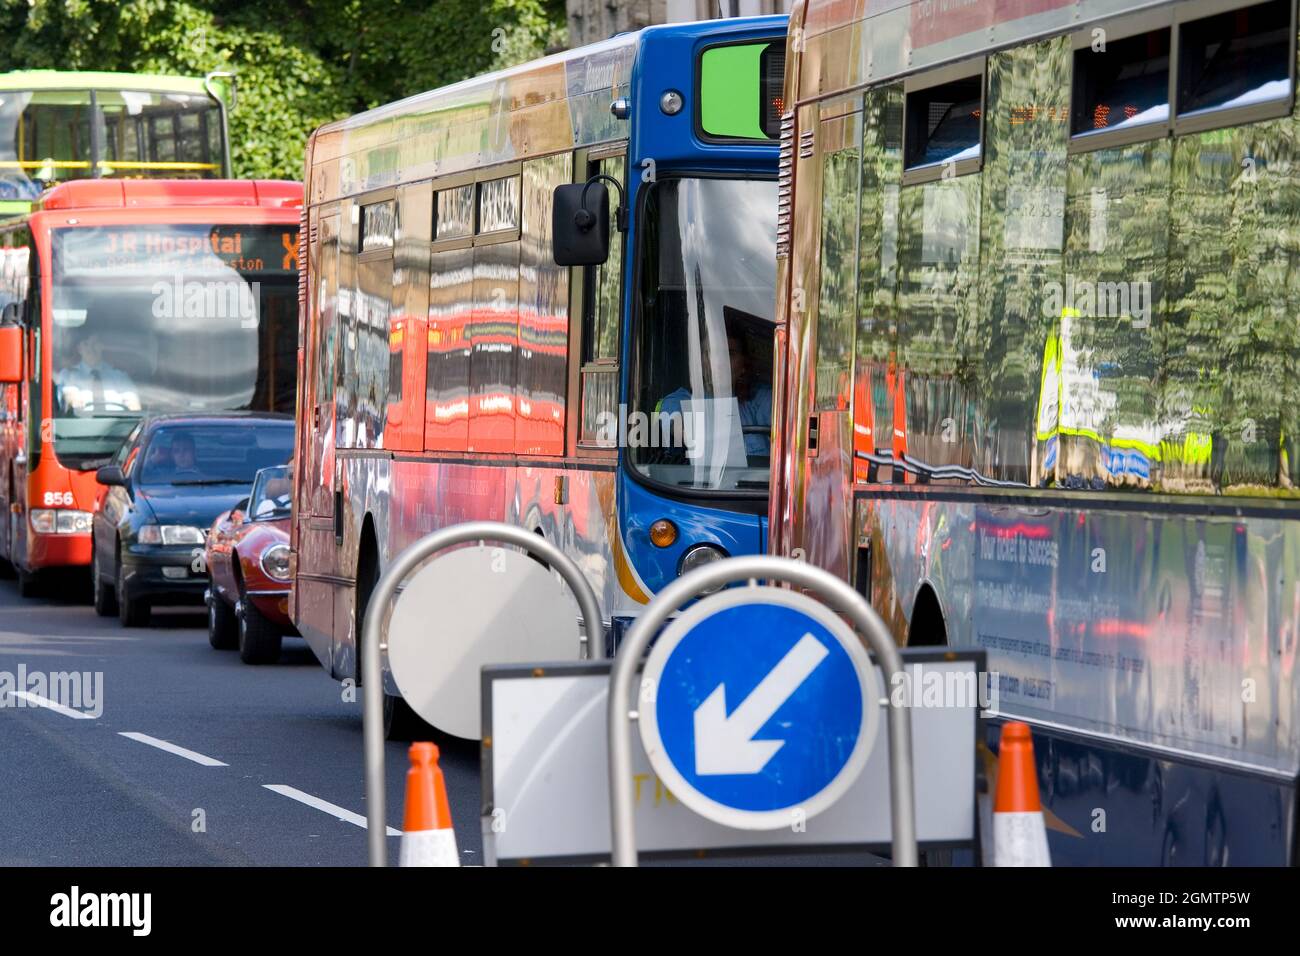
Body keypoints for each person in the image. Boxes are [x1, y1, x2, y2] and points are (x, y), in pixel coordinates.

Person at [656, 328, 773, 459]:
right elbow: (671, 415)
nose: (719, 361)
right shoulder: (683, 399)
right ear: (701, 362)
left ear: (743, 365)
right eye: (711, 353)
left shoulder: (759, 399)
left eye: (729, 354)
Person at [55, 332, 141, 414]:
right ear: (79, 349)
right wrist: (71, 398)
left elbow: (134, 406)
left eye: (95, 343)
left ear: (102, 346)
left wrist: (133, 403)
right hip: (80, 425)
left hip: (118, 426)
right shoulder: (68, 375)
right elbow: (69, 401)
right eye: (86, 344)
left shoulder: (119, 375)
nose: (91, 348)